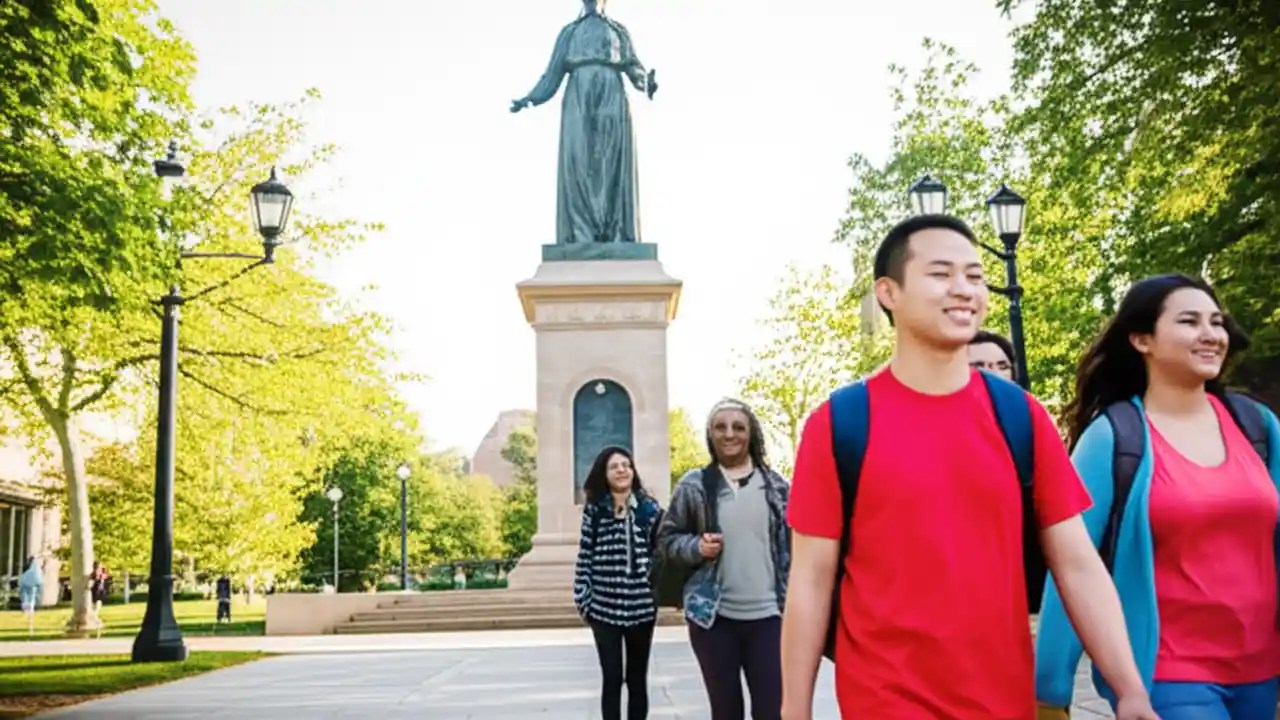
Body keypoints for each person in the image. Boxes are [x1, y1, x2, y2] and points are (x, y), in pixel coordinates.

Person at [780, 214, 1157, 720]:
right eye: (940, 274)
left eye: (975, 276)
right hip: (885, 699)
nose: (964, 289)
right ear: (889, 292)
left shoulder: (1020, 417)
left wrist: (1129, 687)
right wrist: (793, 709)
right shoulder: (841, 423)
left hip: (1002, 700)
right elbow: (810, 579)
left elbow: (1077, 564)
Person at [1036, 274, 1280, 719]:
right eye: (1189, 322)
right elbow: (1072, 563)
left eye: (1217, 322)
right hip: (1165, 674)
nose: (1211, 335)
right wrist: (1051, 687)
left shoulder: (1258, 427)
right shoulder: (1113, 438)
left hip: (1262, 669)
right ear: (1141, 339)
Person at [657, 399, 791, 720]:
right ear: (710, 434)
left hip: (770, 619)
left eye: (738, 427)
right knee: (726, 711)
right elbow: (666, 541)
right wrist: (696, 547)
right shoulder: (694, 486)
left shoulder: (778, 488)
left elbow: (796, 553)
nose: (729, 434)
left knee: (772, 711)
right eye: (720, 427)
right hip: (713, 620)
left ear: (751, 434)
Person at [510, 0, 657, 246]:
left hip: (612, 97)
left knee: (611, 165)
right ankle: (582, 233)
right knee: (579, 162)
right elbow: (552, 74)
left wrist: (646, 83)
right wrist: (530, 99)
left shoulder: (618, 31)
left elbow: (633, 67)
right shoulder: (570, 33)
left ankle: (615, 232)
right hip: (579, 97)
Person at [573, 445, 663, 720]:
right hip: (604, 610)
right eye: (614, 466)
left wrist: (655, 595)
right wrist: (583, 599)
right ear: (605, 473)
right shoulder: (595, 510)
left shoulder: (649, 509)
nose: (622, 470)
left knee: (637, 681)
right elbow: (585, 556)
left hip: (641, 610)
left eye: (626, 465)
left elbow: (660, 556)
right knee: (612, 679)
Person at [18, 557, 43, 636]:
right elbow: (39, 581)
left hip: (28, 586)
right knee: (30, 599)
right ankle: (29, 610)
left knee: (26, 598)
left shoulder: (30, 569)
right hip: (32, 586)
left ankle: (27, 610)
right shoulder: (36, 570)